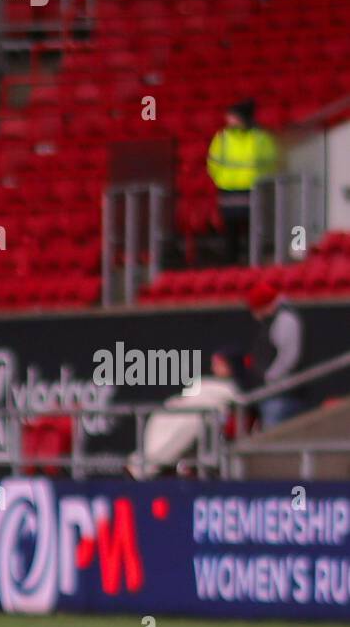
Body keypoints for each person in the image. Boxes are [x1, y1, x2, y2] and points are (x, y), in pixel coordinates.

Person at [127, 352, 241, 479]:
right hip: (188, 409)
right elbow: (188, 396)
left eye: (220, 364)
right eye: (215, 364)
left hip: (205, 417)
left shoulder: (232, 387)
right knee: (164, 413)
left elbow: (230, 403)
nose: (215, 367)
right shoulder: (205, 381)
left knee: (191, 421)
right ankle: (143, 460)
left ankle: (148, 467)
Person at [206, 100, 278, 264]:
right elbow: (213, 162)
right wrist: (220, 179)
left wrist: (259, 180)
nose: (229, 120)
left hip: (252, 188)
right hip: (228, 188)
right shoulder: (222, 138)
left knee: (253, 228)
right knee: (230, 229)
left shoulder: (260, 138)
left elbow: (270, 162)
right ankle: (231, 263)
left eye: (233, 117)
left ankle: (254, 262)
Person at [246, 281, 306, 428]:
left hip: (281, 395)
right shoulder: (275, 319)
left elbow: (290, 357)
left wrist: (270, 378)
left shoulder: (286, 319)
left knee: (274, 437)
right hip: (272, 393)